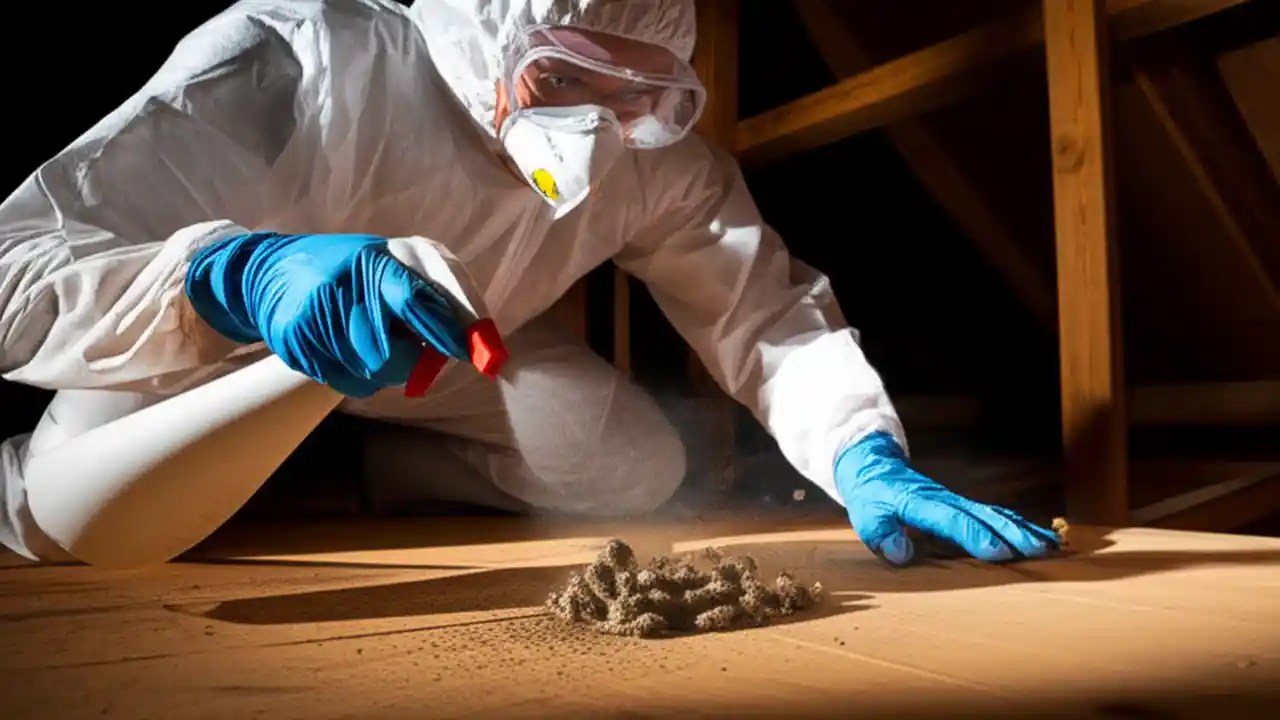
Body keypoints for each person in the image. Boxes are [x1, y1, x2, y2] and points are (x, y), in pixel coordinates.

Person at [0, 0, 1060, 565]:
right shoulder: (301, 59)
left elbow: (764, 315)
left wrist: (857, 451)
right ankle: (28, 494)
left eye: (635, 93)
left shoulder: (654, 166)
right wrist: (236, 271)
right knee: (85, 523)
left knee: (633, 464)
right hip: (213, 335)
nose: (594, 133)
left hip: (442, 352)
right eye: (560, 78)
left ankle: (369, 470)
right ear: (487, 23)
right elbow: (13, 272)